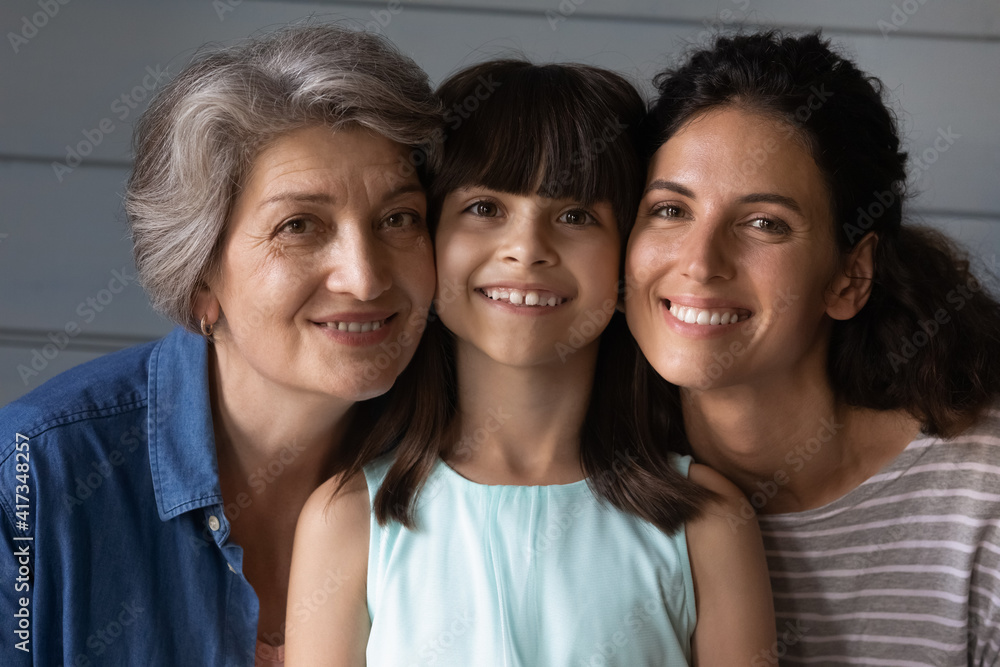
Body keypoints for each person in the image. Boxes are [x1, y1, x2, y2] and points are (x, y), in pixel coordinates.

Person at [285, 59, 775, 667]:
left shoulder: (707, 525)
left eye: (575, 216)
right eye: (485, 207)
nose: (527, 250)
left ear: (628, 255)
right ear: (427, 237)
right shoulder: (348, 520)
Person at [0, 24, 442, 666]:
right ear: (201, 277)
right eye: (299, 226)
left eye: (398, 219)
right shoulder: (32, 476)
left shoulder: (468, 466)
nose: (365, 276)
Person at [626, 30, 1000, 665]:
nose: (700, 262)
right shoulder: (594, 482)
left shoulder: (981, 496)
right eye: (670, 210)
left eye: (764, 223)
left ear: (849, 276)